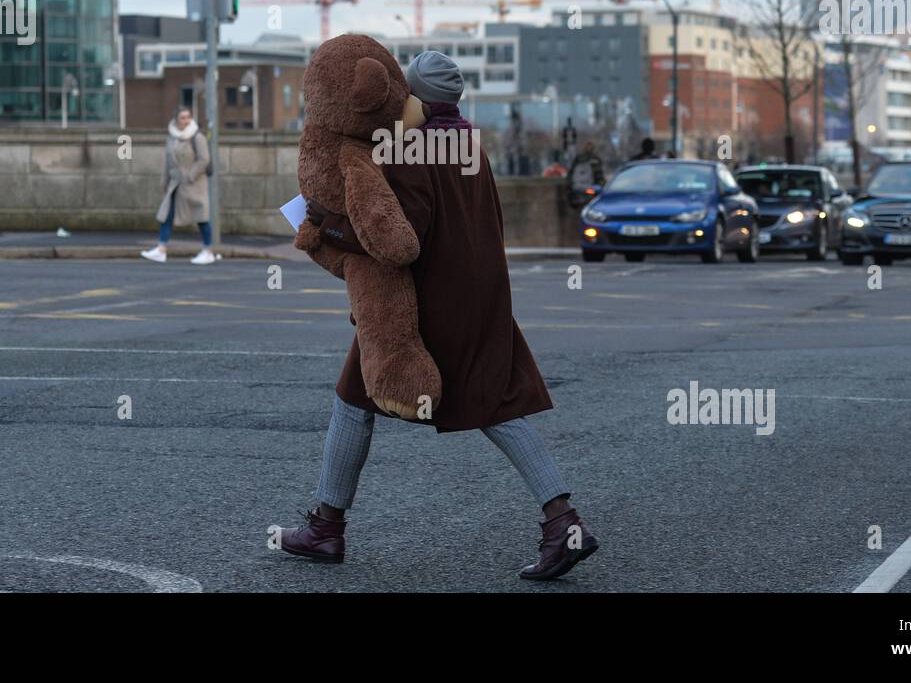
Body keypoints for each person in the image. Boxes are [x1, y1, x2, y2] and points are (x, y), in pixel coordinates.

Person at [281, 51, 598, 581]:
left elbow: (399, 242)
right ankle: (563, 524)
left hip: (424, 305)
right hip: (481, 295)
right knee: (495, 405)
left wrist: (321, 225)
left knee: (354, 402)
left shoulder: (410, 151)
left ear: (417, 99)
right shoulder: (470, 145)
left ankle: (325, 528)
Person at [141, 107, 219, 265]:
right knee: (166, 215)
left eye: (188, 117)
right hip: (175, 183)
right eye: (183, 117)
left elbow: (204, 159)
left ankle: (208, 251)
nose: (186, 120)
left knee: (201, 218)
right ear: (176, 119)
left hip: (194, 185)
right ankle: (161, 250)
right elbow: (167, 161)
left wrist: (190, 175)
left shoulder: (197, 137)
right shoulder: (171, 137)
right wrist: (164, 181)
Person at [566, 140, 605, 208]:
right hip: (586, 188)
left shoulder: (594, 159)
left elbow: (599, 174)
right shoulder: (583, 159)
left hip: (588, 187)